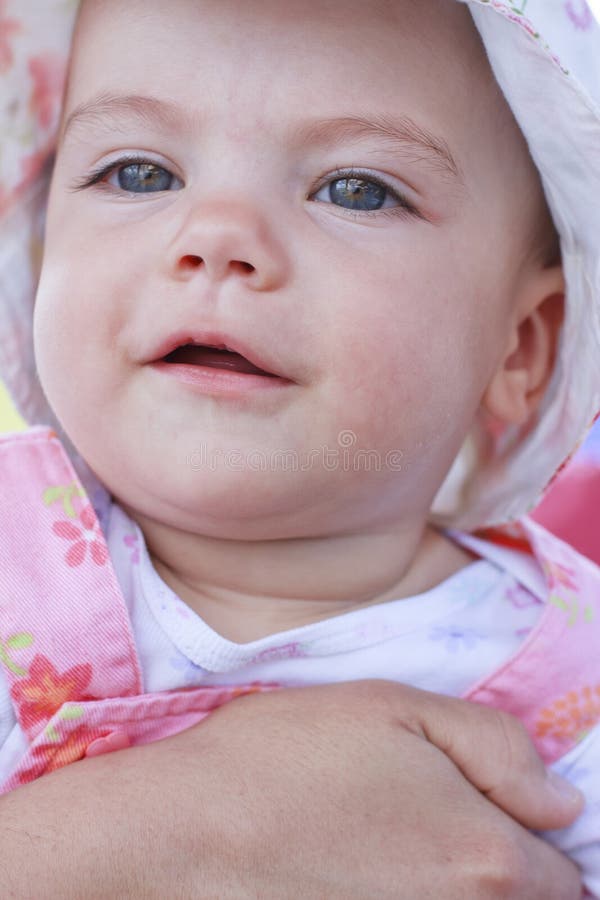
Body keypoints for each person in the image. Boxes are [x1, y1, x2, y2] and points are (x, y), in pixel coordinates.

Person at [0, 0, 598, 894]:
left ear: (520, 345)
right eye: (138, 172)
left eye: (355, 189)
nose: (217, 239)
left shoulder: (573, 681)